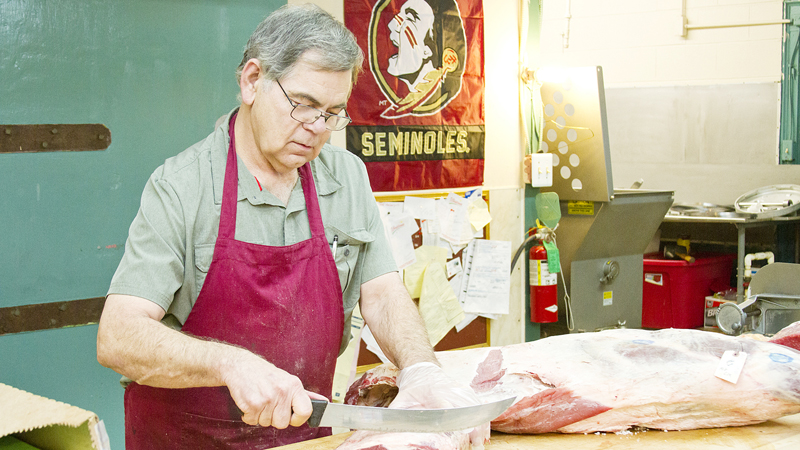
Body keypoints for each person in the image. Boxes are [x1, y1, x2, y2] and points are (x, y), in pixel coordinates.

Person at [96, 4, 487, 449]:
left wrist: (421, 369)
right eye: (304, 105)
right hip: (186, 440)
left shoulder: (347, 177)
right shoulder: (182, 186)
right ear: (252, 81)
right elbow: (118, 335)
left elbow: (382, 293)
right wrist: (232, 364)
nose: (317, 128)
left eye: (333, 113)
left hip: (303, 440)